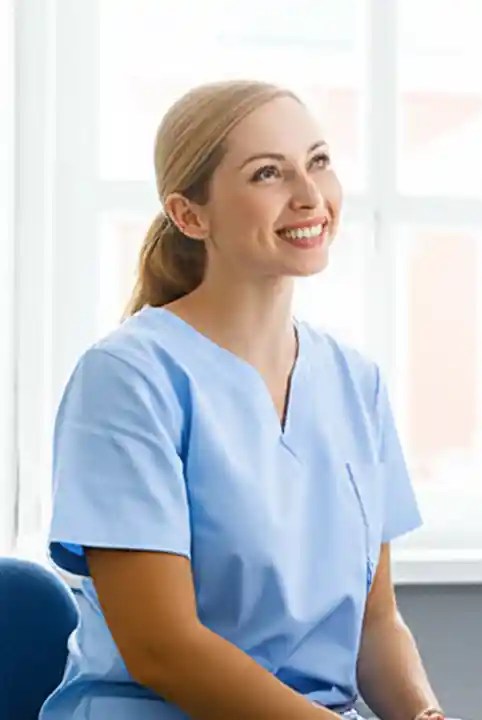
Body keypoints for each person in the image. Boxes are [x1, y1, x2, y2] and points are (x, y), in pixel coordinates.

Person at [39, 80, 448, 720]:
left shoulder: (354, 381)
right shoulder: (127, 378)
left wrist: (424, 715)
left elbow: (375, 625)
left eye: (318, 162)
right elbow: (161, 649)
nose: (310, 196)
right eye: (267, 174)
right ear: (190, 215)